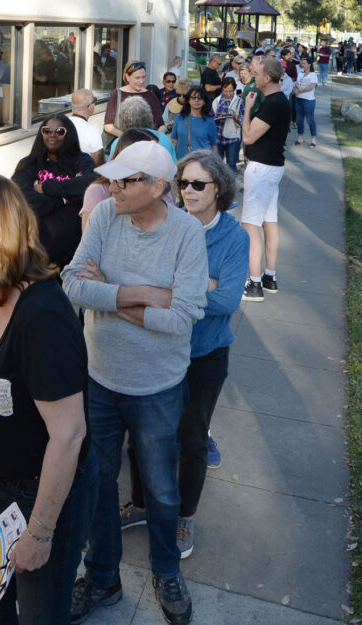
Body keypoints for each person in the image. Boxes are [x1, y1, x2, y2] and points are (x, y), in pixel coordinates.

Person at [0, 173, 96, 625]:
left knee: (41, 613)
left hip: (42, 494)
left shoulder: (44, 316)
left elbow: (69, 433)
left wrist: (40, 533)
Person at [61, 140, 208, 625]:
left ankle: (167, 571)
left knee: (162, 491)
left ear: (158, 187)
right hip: (99, 379)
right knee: (98, 485)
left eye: (126, 180)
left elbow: (183, 316)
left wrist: (108, 295)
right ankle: (102, 578)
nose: (112, 187)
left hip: (158, 387)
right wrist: (142, 293)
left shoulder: (186, 233)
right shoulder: (105, 217)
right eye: (112, 179)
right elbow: (72, 283)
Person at [119, 151, 248, 559]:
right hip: (157, 345)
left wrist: (169, 290)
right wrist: (200, 285)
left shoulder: (234, 238)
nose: (187, 191)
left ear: (219, 189)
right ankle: (141, 505)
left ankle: (183, 516)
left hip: (204, 355)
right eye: (182, 183)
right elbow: (142, 280)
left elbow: (227, 300)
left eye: (198, 184)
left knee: (192, 438)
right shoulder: (168, 224)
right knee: (140, 432)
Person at [11, 114, 95, 270]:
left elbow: (91, 185)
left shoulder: (82, 160)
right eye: (47, 130)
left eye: (60, 131)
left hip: (74, 249)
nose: (53, 135)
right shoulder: (29, 163)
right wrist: (62, 200)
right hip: (37, 251)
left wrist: (46, 188)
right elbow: (19, 197)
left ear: (68, 134)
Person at [241, 57, 291, 302]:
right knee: (269, 221)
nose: (254, 76)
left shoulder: (273, 103)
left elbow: (248, 137)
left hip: (261, 168)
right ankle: (269, 276)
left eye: (257, 73)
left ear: (268, 78)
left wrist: (247, 109)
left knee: (250, 225)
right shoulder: (279, 100)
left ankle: (254, 284)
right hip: (272, 167)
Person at [104, 60, 163, 139]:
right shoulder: (117, 94)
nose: (141, 81)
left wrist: (153, 139)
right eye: (137, 78)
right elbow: (108, 126)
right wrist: (129, 138)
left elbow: (161, 125)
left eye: (143, 77)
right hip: (123, 142)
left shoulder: (151, 96)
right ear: (127, 77)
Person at [170, 86, 218, 160]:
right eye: (193, 97)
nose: (196, 100)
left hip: (203, 162)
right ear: (188, 100)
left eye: (200, 98)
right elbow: (174, 141)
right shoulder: (179, 118)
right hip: (182, 161)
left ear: (204, 101)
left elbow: (213, 145)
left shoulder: (210, 121)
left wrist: (216, 163)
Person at [213, 78, 244, 173]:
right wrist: (218, 116)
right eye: (226, 91)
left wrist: (235, 117)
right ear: (222, 89)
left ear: (234, 89)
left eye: (231, 91)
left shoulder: (239, 101)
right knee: (217, 164)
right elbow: (211, 117)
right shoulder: (217, 100)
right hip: (218, 136)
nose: (228, 93)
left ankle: (232, 181)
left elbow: (244, 120)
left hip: (232, 137)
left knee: (231, 164)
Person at [69, 88, 104, 164]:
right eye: (94, 101)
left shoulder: (61, 124)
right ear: (89, 106)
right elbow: (99, 164)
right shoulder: (92, 131)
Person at [293, 57, 318, 148]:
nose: (302, 65)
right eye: (301, 63)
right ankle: (300, 138)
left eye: (304, 63)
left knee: (310, 120)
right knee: (299, 120)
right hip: (298, 100)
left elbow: (311, 87)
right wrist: (297, 89)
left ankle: (313, 139)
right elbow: (296, 84)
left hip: (308, 101)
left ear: (309, 64)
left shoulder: (313, 75)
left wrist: (300, 90)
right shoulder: (300, 74)